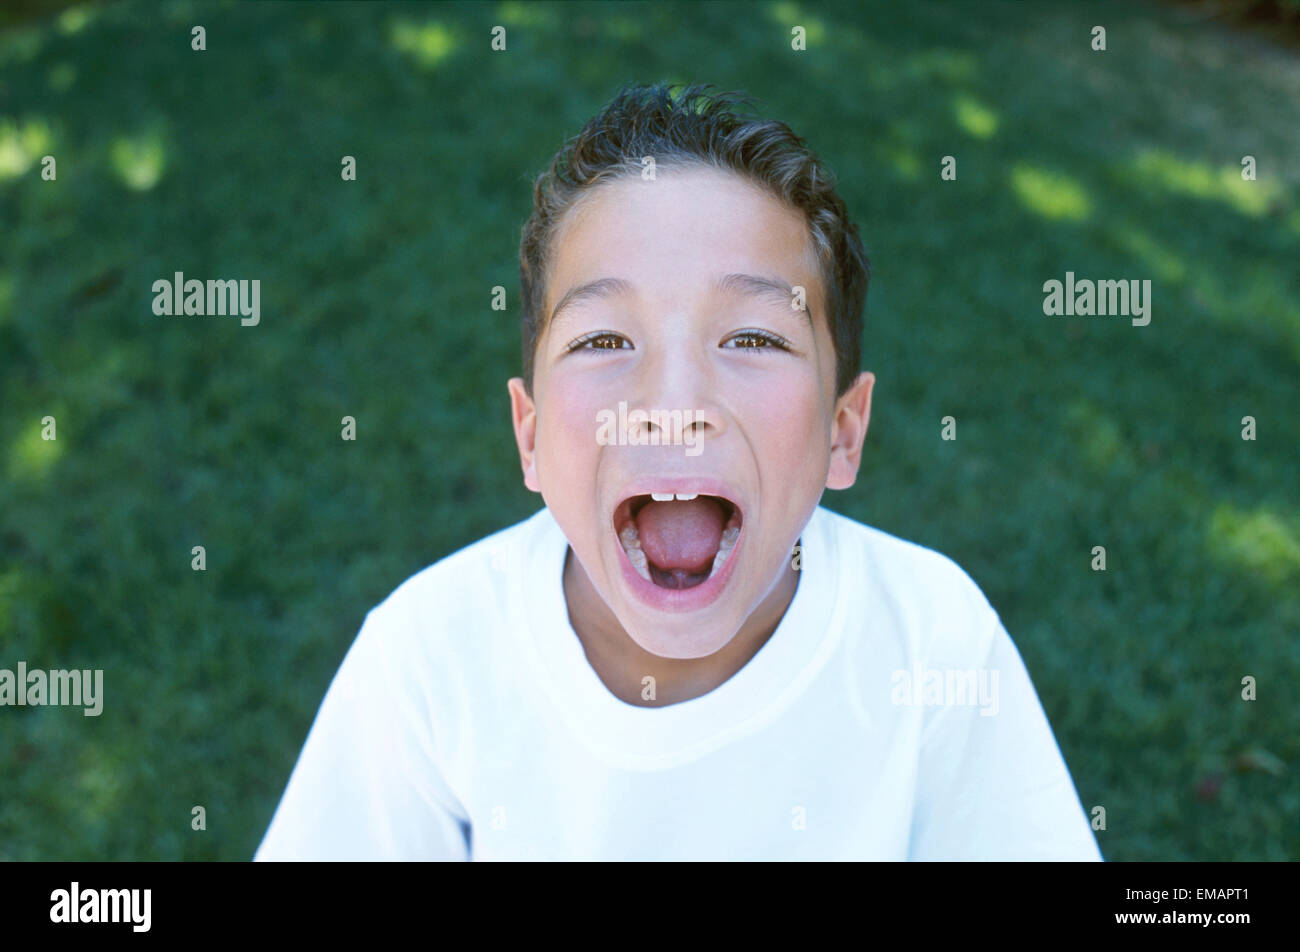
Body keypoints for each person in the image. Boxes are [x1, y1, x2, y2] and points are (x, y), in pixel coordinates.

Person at [254, 82, 1101, 861]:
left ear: (843, 432)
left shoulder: (932, 640)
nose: (672, 402)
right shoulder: (428, 658)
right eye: (604, 341)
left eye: (754, 339)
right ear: (533, 435)